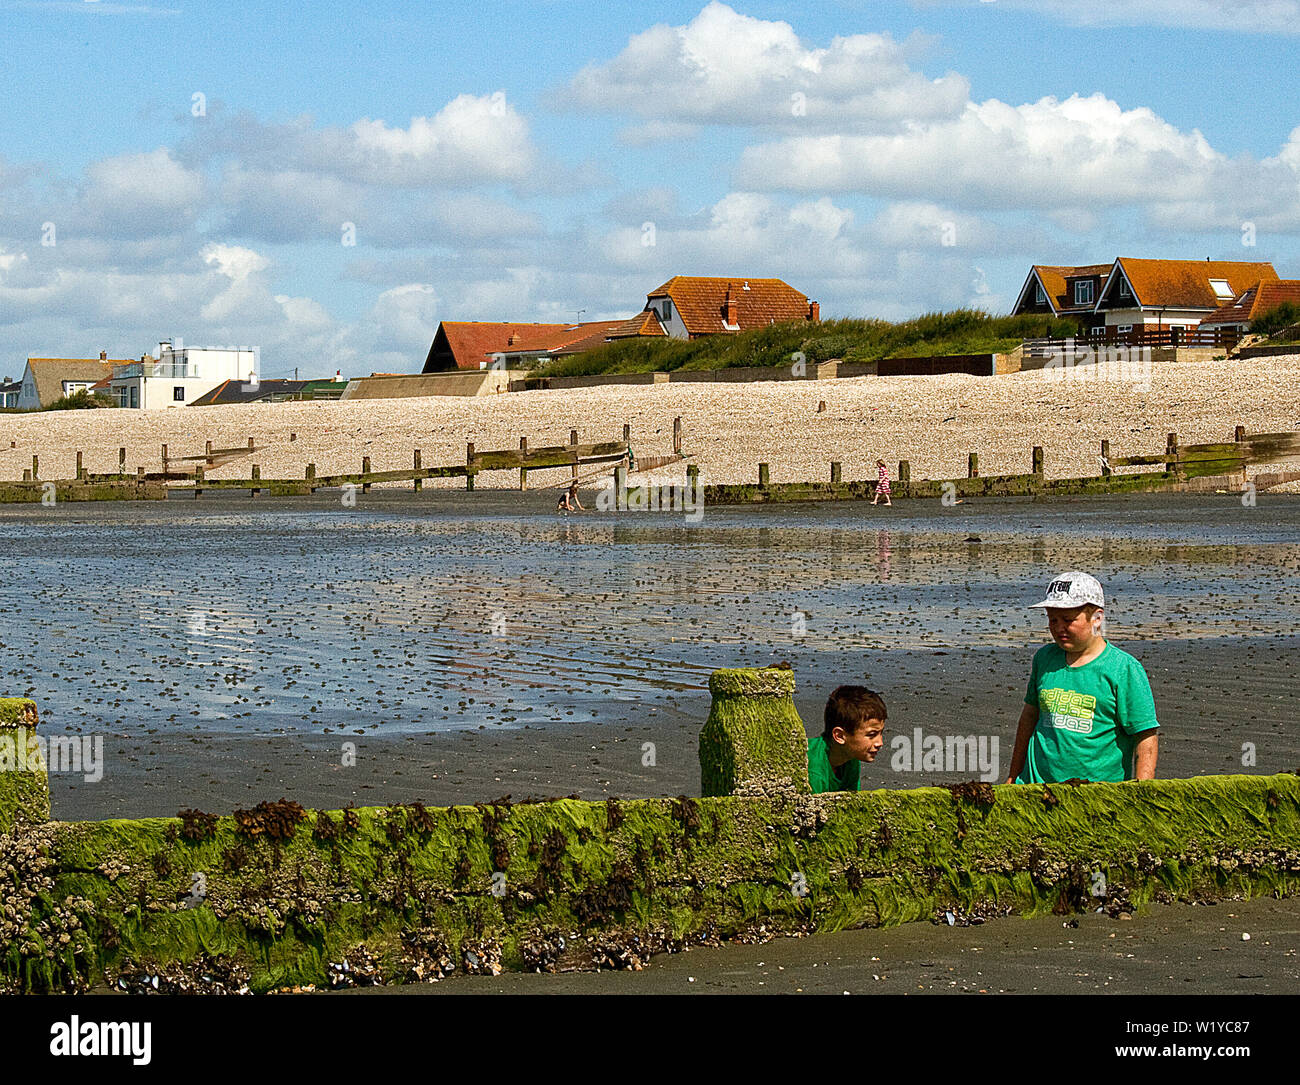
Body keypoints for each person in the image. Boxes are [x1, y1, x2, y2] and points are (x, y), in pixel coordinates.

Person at [1005, 571, 1159, 785]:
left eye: (1068, 620)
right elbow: (1029, 717)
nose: (1059, 628)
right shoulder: (1044, 659)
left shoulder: (1123, 669)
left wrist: (1143, 789)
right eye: (1053, 619)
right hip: (1036, 786)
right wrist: (1013, 776)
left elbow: (1145, 734)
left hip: (1098, 793)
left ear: (1097, 618)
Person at [807, 686, 887, 793]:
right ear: (839, 736)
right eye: (871, 735)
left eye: (881, 733)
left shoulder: (850, 756)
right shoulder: (814, 774)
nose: (880, 743)